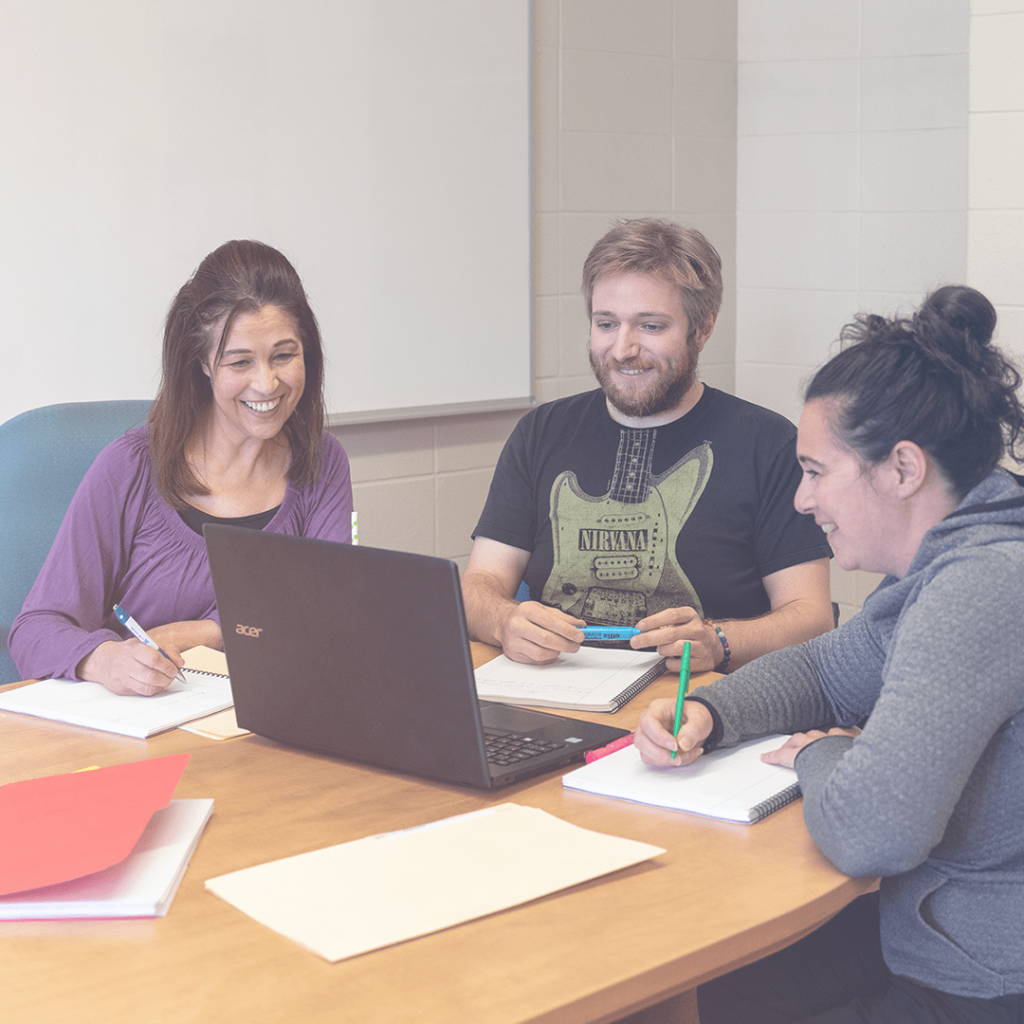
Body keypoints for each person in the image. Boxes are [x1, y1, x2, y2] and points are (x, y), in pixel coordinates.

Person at [634, 285, 1024, 1022]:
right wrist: (709, 711)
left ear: (902, 470)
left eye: (816, 472)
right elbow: (822, 668)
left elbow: (873, 831)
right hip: (926, 937)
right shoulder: (950, 558)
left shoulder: (981, 586)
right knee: (680, 995)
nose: (802, 502)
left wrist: (820, 756)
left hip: (977, 982)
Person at [463, 218, 834, 673]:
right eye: (605, 324)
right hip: (555, 696)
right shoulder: (540, 431)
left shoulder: (769, 445)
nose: (622, 349)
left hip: (698, 703)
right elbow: (479, 585)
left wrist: (721, 640)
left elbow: (812, 617)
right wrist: (505, 621)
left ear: (702, 329)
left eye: (651, 326)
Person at [10, 240, 353, 696]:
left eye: (284, 355)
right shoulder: (129, 466)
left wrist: (213, 633)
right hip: (142, 728)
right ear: (202, 363)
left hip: (265, 726)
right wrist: (107, 659)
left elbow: (329, 619)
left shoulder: (323, 461)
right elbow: (34, 629)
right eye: (240, 361)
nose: (267, 383)